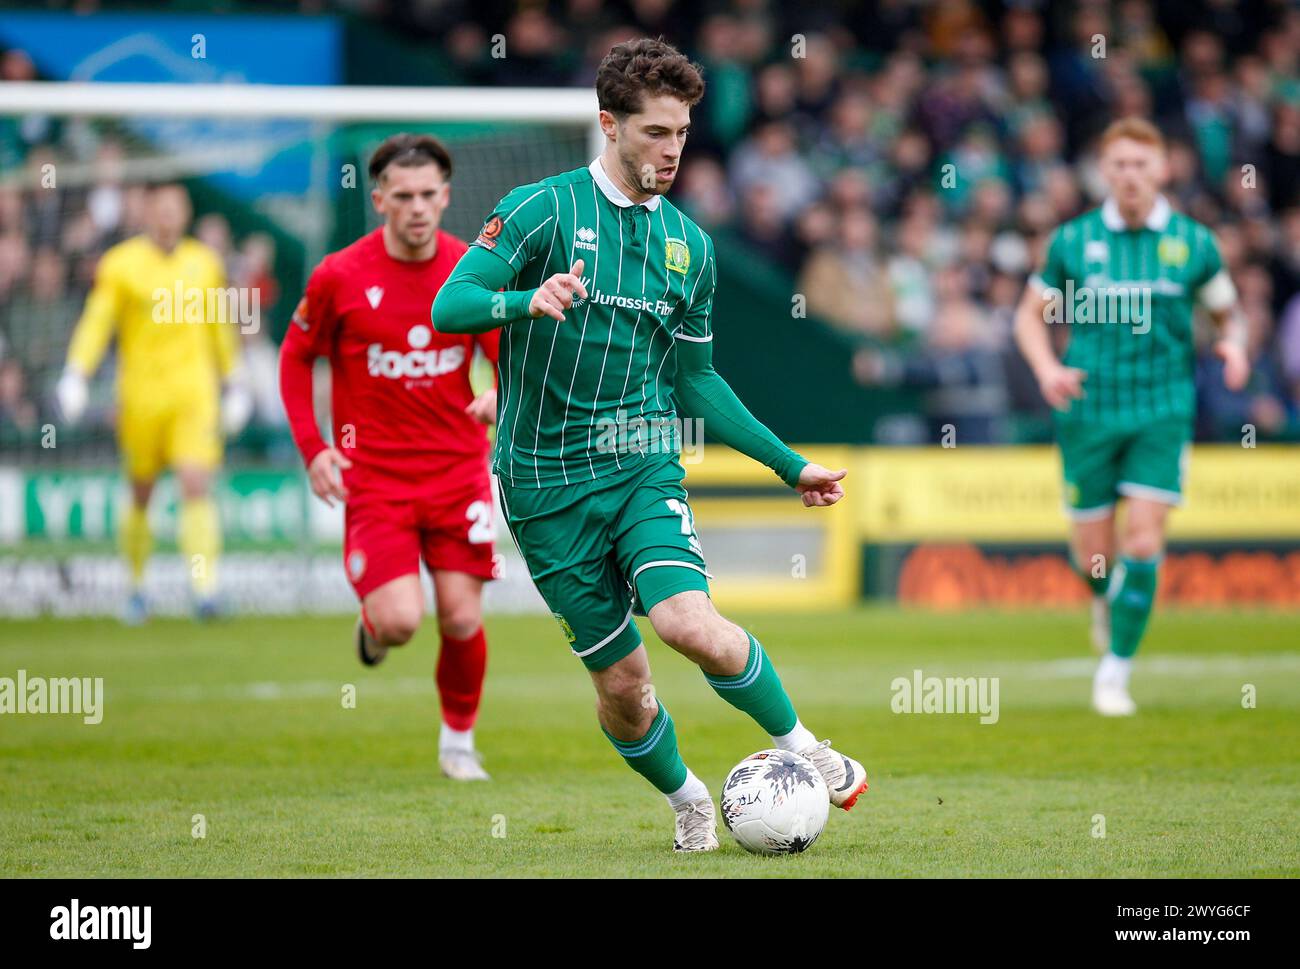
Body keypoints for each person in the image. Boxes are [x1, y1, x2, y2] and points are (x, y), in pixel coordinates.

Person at [432, 37, 867, 852]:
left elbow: (696, 382)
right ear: (610, 125)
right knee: (626, 690)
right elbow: (450, 307)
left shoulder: (690, 248)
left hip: (641, 462)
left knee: (688, 624)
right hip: (543, 488)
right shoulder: (540, 210)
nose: (672, 150)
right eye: (655, 132)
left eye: (682, 133)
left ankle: (807, 747)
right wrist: (525, 300)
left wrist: (790, 465)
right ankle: (689, 798)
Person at [278, 135, 499, 781]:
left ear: (446, 195)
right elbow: (295, 357)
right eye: (403, 196)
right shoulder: (339, 275)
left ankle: (458, 743)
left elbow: (508, 356)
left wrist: (502, 395)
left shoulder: (472, 271)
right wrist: (314, 449)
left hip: (458, 471)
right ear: (378, 200)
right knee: (401, 621)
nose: (417, 208)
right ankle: (373, 630)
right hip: (374, 480)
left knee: (461, 615)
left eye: (428, 194)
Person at [1014, 117, 1250, 716]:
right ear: (1103, 171)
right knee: (1092, 558)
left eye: (1141, 164)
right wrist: (1046, 369)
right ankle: (1105, 596)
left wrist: (1235, 345)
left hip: (1161, 411)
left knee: (1143, 538)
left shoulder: (1194, 243)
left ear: (1163, 169)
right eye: (1118, 164)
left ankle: (1114, 673)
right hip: (1088, 412)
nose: (1130, 175)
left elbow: (1228, 314)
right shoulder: (1072, 241)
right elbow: (1027, 317)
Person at [55, 183, 251, 623]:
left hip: (193, 395)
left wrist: (235, 380)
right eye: (160, 209)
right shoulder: (120, 264)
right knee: (141, 492)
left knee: (195, 482)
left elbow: (220, 326)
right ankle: (137, 587)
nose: (167, 217)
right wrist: (76, 372)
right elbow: (98, 320)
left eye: (174, 209)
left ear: (185, 214)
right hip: (140, 397)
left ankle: (204, 589)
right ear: (148, 214)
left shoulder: (204, 263)